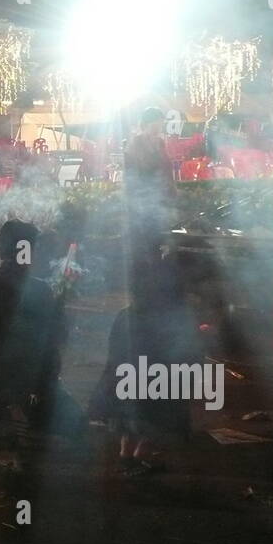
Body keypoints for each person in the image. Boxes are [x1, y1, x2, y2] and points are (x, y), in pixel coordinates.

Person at [91, 257, 196, 475]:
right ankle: (141, 455)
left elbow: (115, 354)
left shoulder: (126, 315)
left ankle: (126, 454)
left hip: (126, 383)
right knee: (163, 409)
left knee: (130, 413)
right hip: (156, 385)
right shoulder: (173, 319)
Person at [0, 221, 71, 432]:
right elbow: (60, 337)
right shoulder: (42, 290)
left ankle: (0, 407)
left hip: (2, 379)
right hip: (39, 383)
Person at [123, 107, 176, 273]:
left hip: (159, 199)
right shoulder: (135, 144)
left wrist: (171, 189)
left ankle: (158, 273)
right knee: (145, 242)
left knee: (159, 239)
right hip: (142, 202)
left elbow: (166, 168)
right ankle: (145, 278)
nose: (159, 128)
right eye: (156, 124)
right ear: (146, 124)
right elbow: (136, 172)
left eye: (161, 124)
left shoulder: (159, 143)